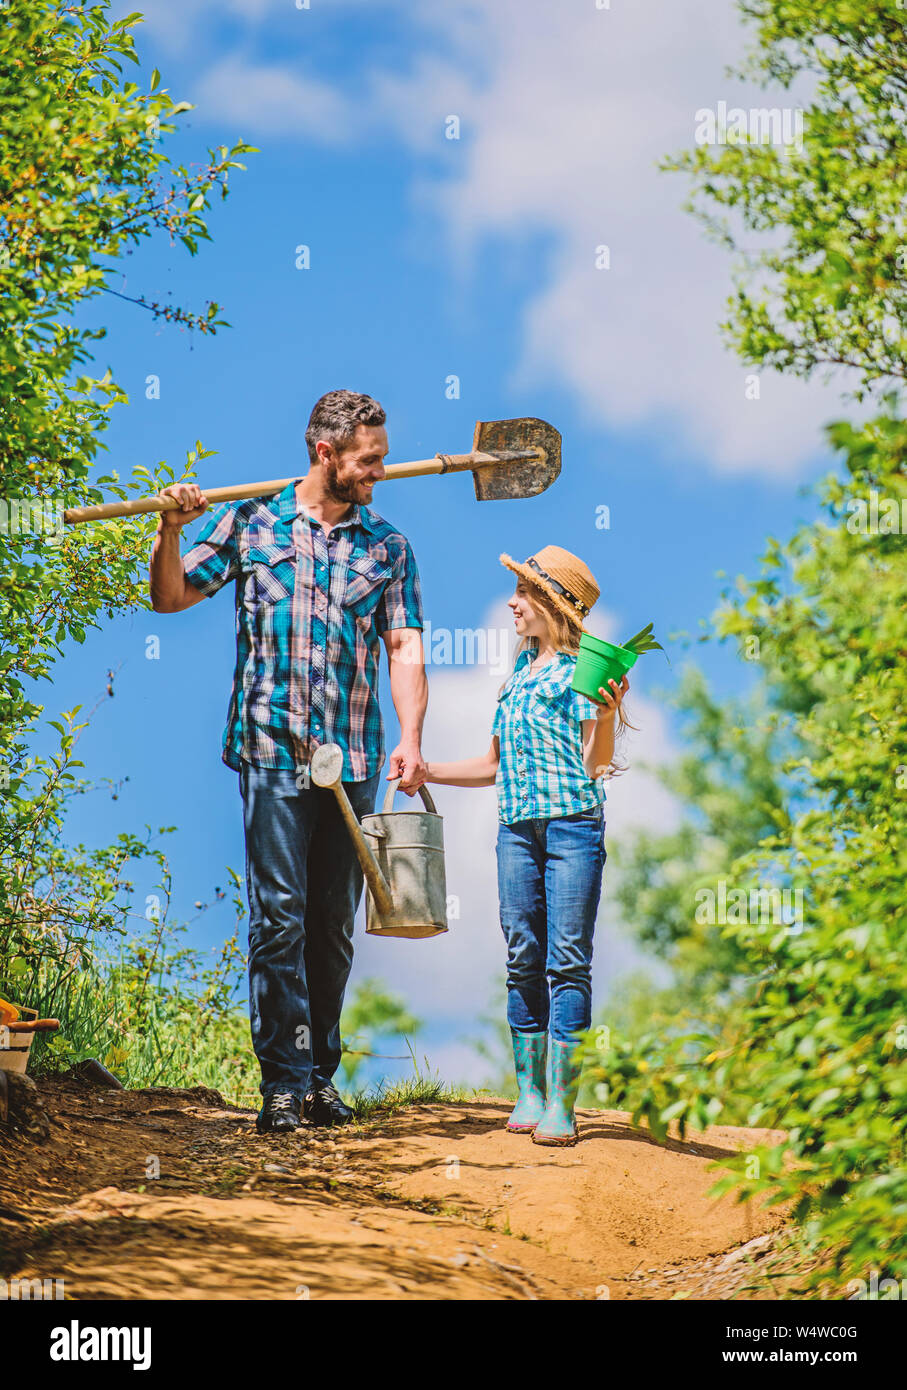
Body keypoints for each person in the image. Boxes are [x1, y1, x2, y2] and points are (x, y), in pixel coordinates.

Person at [149, 389, 428, 1134]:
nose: (380, 473)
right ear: (324, 452)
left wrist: (412, 735)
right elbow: (170, 596)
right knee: (279, 918)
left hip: (356, 753)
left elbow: (404, 645)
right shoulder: (251, 522)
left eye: (382, 459)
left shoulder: (388, 546)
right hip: (271, 753)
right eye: (369, 461)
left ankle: (321, 1079)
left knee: (332, 923)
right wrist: (169, 529)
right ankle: (282, 1080)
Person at [419, 546, 630, 1146]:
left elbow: (597, 763)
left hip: (572, 827)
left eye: (524, 593)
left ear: (552, 606)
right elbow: (492, 764)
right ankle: (530, 1091)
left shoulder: (582, 673)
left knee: (567, 958)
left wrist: (609, 715)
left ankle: (562, 1101)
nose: (512, 602)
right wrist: (427, 769)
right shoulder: (515, 679)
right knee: (521, 954)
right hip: (516, 829)